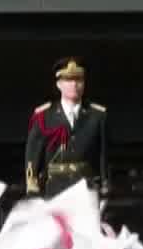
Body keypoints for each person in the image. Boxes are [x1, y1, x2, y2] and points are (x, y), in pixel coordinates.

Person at [24, 57, 108, 197]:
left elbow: (103, 156)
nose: (74, 85)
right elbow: (32, 155)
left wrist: (105, 186)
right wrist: (32, 186)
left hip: (86, 188)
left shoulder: (97, 116)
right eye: (68, 80)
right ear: (59, 84)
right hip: (53, 188)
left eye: (78, 80)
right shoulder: (43, 116)